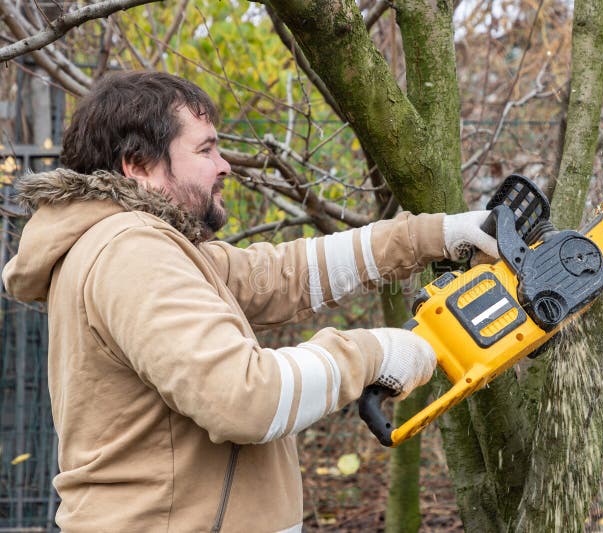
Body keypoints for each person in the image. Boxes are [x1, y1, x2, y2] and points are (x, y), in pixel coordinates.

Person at [1, 71, 498, 532]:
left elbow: (281, 275)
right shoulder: (131, 252)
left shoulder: (138, 245)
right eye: (206, 150)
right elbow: (243, 398)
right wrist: (374, 354)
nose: (225, 167)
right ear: (139, 165)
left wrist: (435, 235)